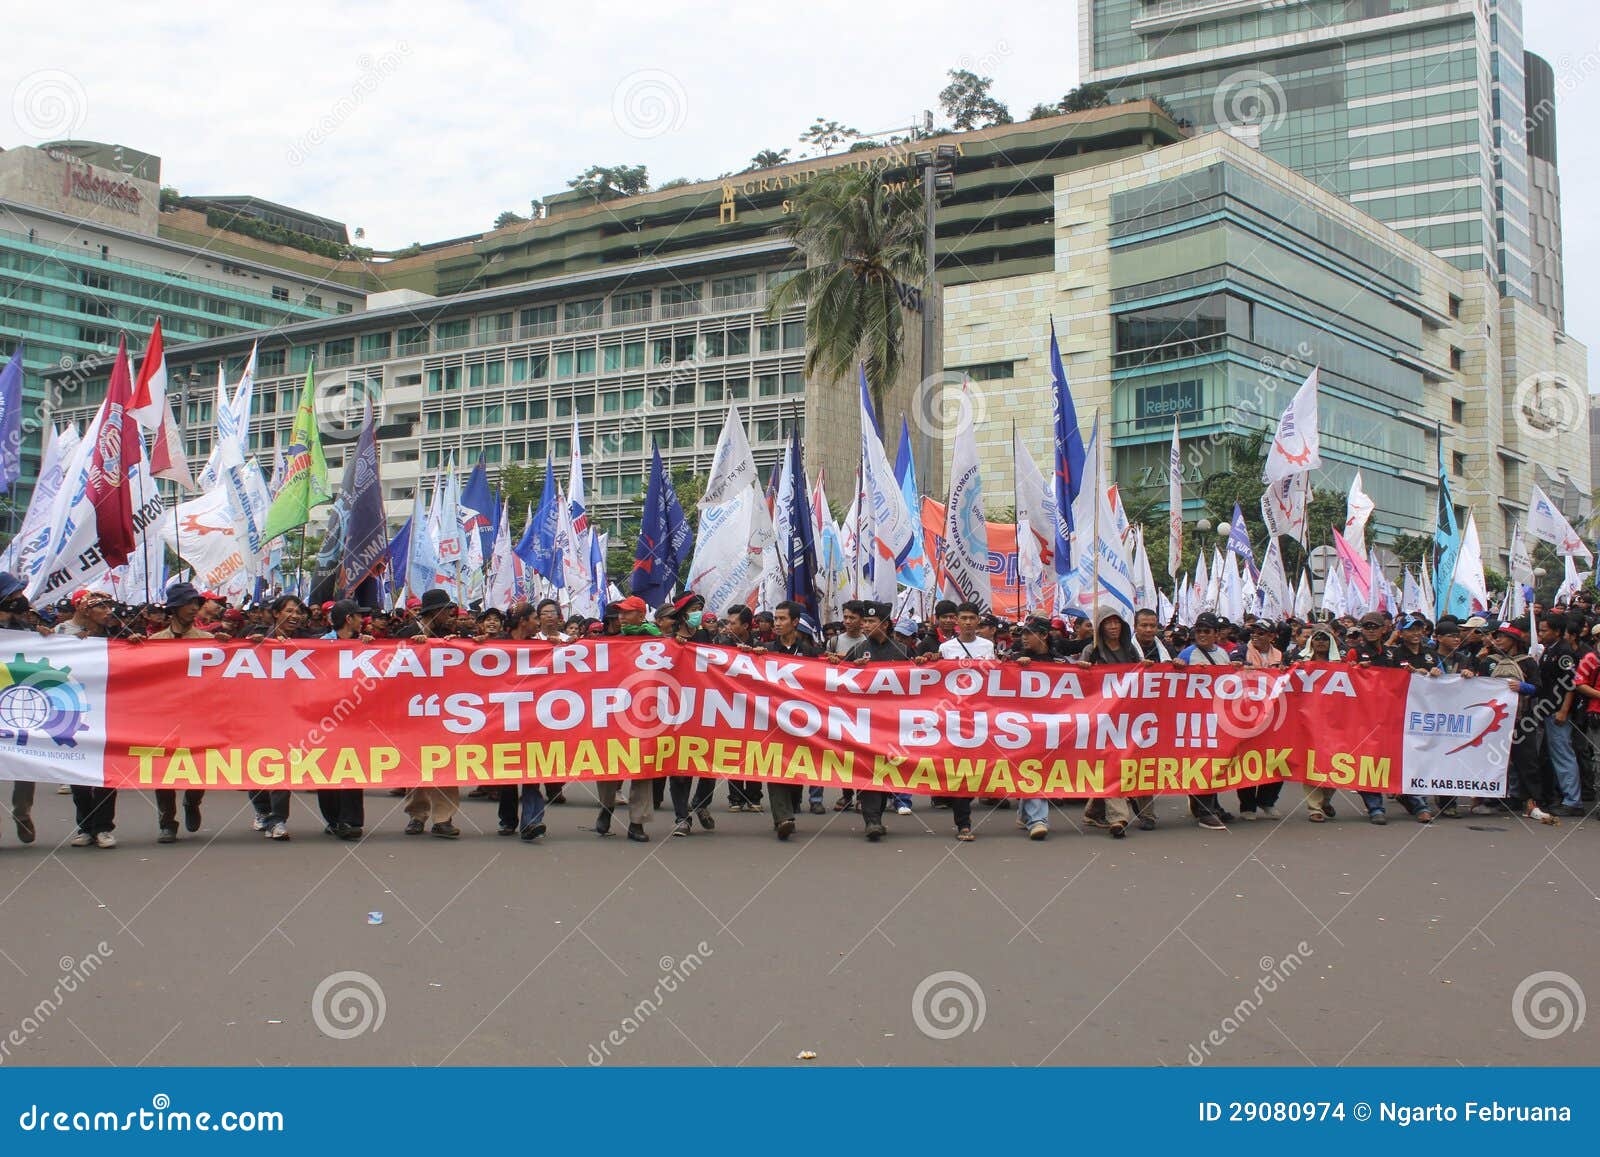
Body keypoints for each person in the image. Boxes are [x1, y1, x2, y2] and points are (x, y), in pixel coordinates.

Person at [395, 588, 465, 838]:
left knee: (445, 763)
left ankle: (443, 818)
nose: (450, 615)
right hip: (414, 709)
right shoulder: (405, 633)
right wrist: (414, 647)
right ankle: (416, 815)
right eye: (446, 610)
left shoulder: (452, 635)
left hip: (446, 708)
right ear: (435, 612)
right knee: (417, 764)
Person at [148, 583, 212, 843]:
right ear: (174, 608)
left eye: (197, 603)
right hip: (164, 716)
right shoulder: (154, 642)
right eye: (188, 603)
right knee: (163, 770)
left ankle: (192, 801)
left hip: (198, 716)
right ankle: (167, 821)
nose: (194, 608)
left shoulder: (208, 642)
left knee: (200, 765)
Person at [845, 603, 912, 841]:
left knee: (887, 769)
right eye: (864, 621)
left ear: (884, 625)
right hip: (866, 723)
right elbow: (840, 682)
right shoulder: (858, 650)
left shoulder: (902, 650)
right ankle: (872, 820)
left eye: (871, 622)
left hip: (894, 722)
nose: (865, 625)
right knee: (868, 768)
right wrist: (852, 668)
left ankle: (878, 814)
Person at [57, 591, 118, 847]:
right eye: (101, 608)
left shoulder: (115, 634)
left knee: (106, 772)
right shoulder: (61, 631)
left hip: (108, 709)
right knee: (79, 772)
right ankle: (85, 826)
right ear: (85, 610)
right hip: (73, 709)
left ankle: (104, 828)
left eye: (108, 607)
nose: (107, 612)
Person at [754, 601, 818, 840]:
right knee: (775, 765)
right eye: (776, 619)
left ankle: (791, 805)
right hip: (772, 720)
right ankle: (783, 818)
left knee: (795, 769)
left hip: (802, 721)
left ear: (795, 622)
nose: (777, 623)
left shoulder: (810, 651)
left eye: (782, 619)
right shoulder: (766, 649)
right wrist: (755, 656)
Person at [1082, 610, 1143, 838]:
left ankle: (1094, 810)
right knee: (1112, 762)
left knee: (1115, 761)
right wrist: (1085, 668)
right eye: (1108, 623)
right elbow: (1080, 681)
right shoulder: (1092, 650)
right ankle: (1118, 817)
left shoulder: (1130, 650)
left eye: (1117, 622)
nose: (1114, 627)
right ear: (1101, 628)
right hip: (1101, 716)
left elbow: (1141, 676)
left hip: (1126, 715)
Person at [314, 600, 370, 840]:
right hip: (325, 716)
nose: (362, 620)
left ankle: (351, 820)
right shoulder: (319, 646)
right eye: (359, 616)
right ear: (348, 619)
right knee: (326, 767)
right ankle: (334, 819)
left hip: (355, 717)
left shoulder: (366, 645)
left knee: (352, 766)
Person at [1173, 613, 1234, 830]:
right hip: (1195, 718)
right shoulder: (1189, 654)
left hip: (1217, 717)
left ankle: (1212, 805)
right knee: (1202, 761)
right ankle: (1204, 811)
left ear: (1216, 634)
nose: (1202, 635)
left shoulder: (1223, 655)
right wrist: (1177, 666)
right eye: (1198, 631)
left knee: (1216, 760)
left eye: (1206, 631)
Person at [1006, 617, 1066, 838]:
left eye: (1029, 633)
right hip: (1019, 726)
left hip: (1049, 725)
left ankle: (1026, 814)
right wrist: (1012, 668)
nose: (1023, 637)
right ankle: (1038, 819)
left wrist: (1082, 669)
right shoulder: (1012, 659)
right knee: (1033, 766)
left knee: (1034, 766)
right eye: (1022, 632)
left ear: (1043, 635)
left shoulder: (1059, 661)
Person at [0, 572, 41, 845]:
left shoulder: (25, 628)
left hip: (20, 705)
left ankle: (22, 812)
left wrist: (46, 637)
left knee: (26, 764)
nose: (19, 599)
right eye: (13, 595)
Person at [714, 606, 765, 813]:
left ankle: (754, 796)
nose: (729, 626)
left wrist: (758, 655)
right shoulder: (721, 645)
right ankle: (735, 797)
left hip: (756, 708)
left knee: (755, 751)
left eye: (733, 623)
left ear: (746, 625)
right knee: (733, 751)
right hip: (730, 705)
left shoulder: (761, 646)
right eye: (727, 622)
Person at [1536, 613, 1585, 817]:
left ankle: (1573, 801)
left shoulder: (1564, 653)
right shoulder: (1549, 650)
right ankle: (1559, 796)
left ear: (1557, 631)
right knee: (1552, 755)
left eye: (1544, 630)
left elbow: (1571, 684)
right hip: (1547, 709)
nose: (1540, 633)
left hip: (1558, 711)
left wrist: (1563, 710)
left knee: (1563, 755)